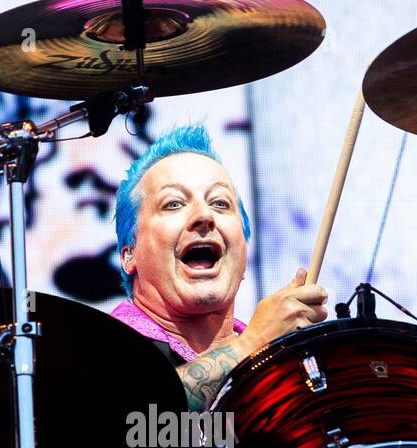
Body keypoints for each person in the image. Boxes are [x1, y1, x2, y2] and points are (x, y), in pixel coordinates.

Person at [111, 124, 330, 410]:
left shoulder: (277, 362)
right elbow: (126, 422)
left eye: (220, 203)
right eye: (174, 204)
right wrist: (252, 342)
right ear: (130, 255)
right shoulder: (97, 347)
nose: (204, 215)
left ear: (243, 250)